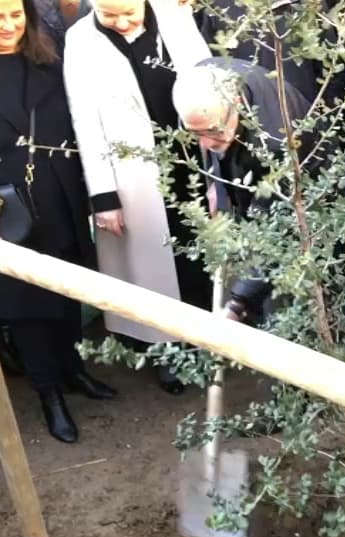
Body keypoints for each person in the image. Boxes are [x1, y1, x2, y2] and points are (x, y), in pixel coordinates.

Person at [0, 0, 116, 443]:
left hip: (59, 194)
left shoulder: (48, 56)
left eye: (16, 15)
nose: (9, 26)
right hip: (0, 210)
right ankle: (48, 393)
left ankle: (74, 370)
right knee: (26, 305)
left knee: (69, 287)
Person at [63, 0, 212, 394]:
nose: (123, 22)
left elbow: (208, 76)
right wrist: (104, 196)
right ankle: (166, 351)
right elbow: (85, 120)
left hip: (192, 156)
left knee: (198, 254)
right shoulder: (80, 39)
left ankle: (208, 340)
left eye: (130, 12)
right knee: (152, 267)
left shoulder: (173, 12)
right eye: (110, 15)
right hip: (133, 173)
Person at [171, 58, 312, 320]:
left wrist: (237, 302)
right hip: (250, 168)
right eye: (194, 133)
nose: (204, 143)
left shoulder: (276, 141)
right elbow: (214, 140)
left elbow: (278, 226)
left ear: (236, 104)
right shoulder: (203, 77)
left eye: (212, 131)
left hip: (305, 189)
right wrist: (215, 183)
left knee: (295, 282)